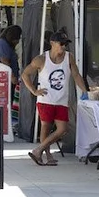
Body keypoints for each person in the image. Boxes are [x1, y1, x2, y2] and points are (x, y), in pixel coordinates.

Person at [20, 29, 87, 166]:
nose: (63, 46)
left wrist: (85, 91)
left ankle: (38, 150)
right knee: (46, 127)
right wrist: (34, 91)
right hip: (46, 99)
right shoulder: (41, 59)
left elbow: (76, 75)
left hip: (62, 99)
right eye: (61, 43)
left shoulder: (69, 57)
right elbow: (25, 74)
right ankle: (47, 155)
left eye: (65, 44)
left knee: (62, 129)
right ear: (52, 43)